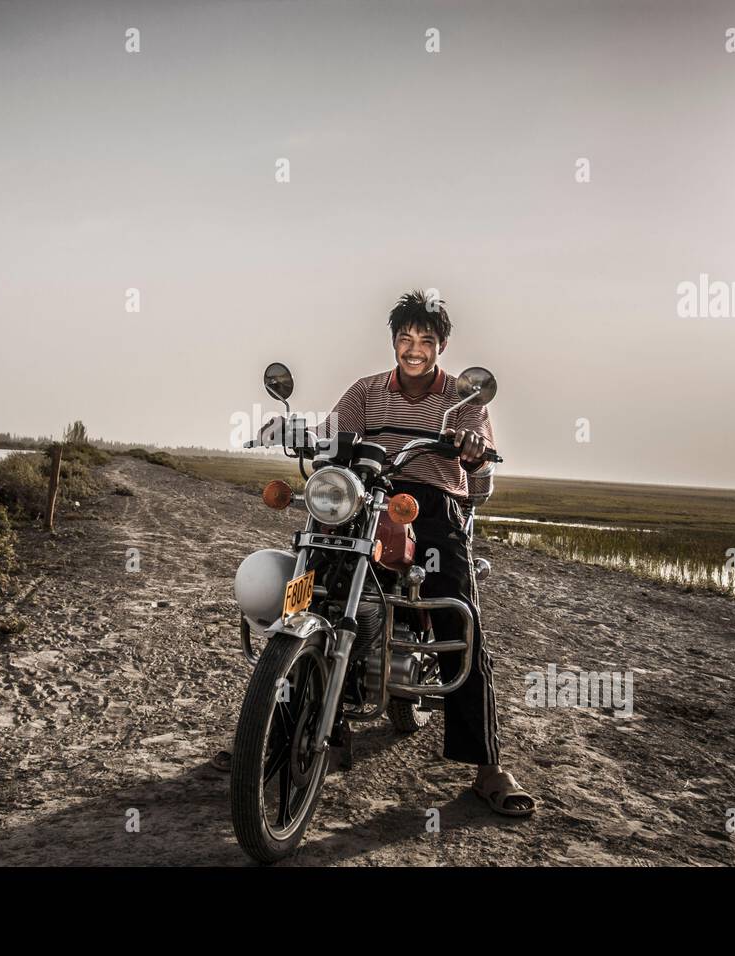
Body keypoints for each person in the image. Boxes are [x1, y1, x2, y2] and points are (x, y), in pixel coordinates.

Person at [214, 289, 535, 817]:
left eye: (425, 341)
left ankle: (488, 765)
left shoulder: (464, 400)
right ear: (393, 342)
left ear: (442, 345)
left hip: (430, 508)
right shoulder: (366, 392)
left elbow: (478, 470)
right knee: (310, 589)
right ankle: (272, 730)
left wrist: (472, 454)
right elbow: (331, 434)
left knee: (461, 616)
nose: (414, 348)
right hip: (364, 499)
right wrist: (293, 431)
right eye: (405, 339)